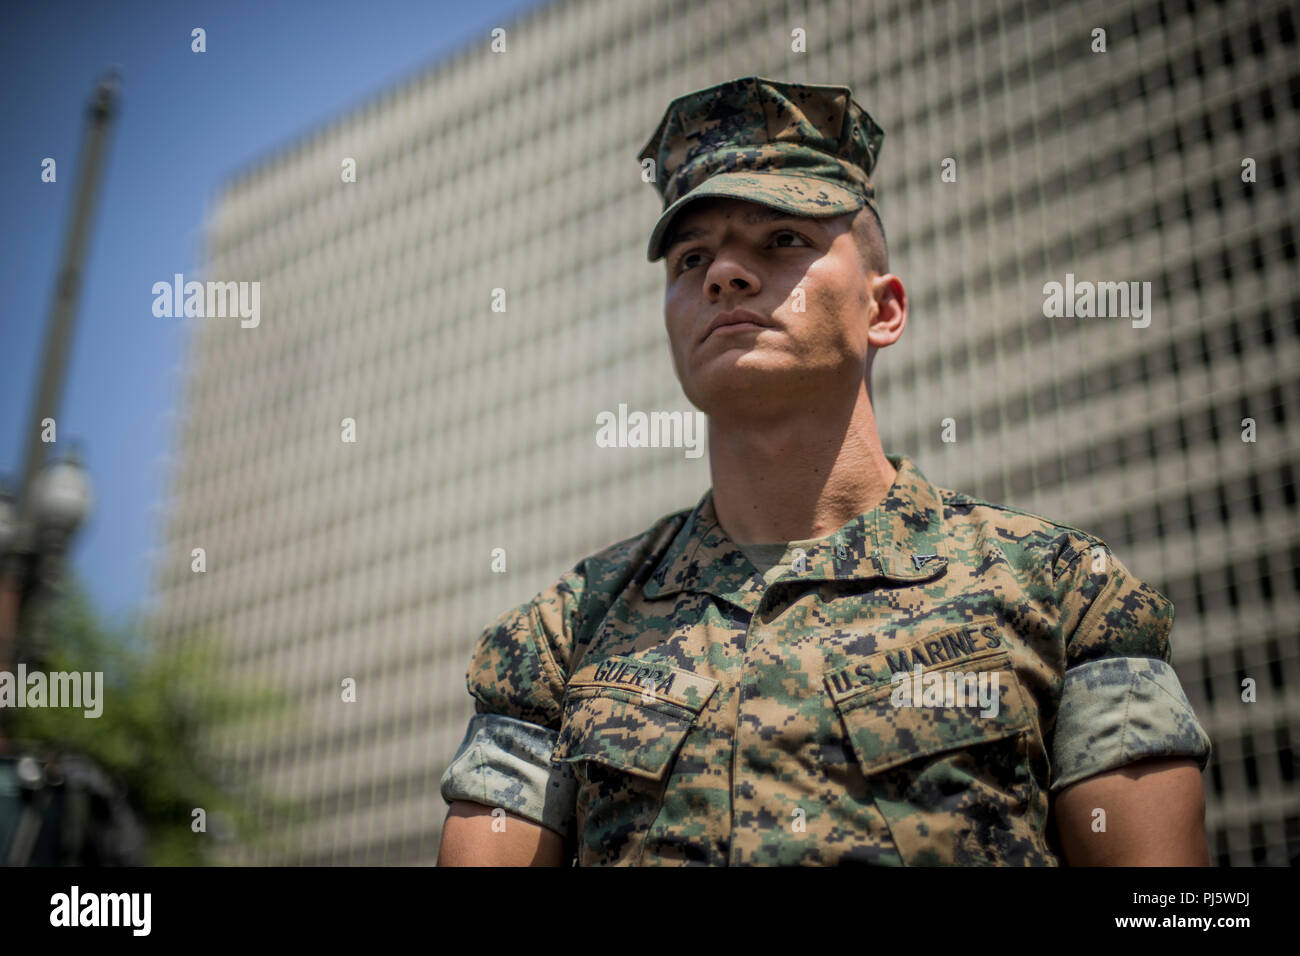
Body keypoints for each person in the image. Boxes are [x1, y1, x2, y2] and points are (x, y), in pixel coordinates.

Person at [437, 76, 1212, 866]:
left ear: (884, 309)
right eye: (691, 257)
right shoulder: (562, 638)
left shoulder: (1062, 591)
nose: (722, 276)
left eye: (783, 242)